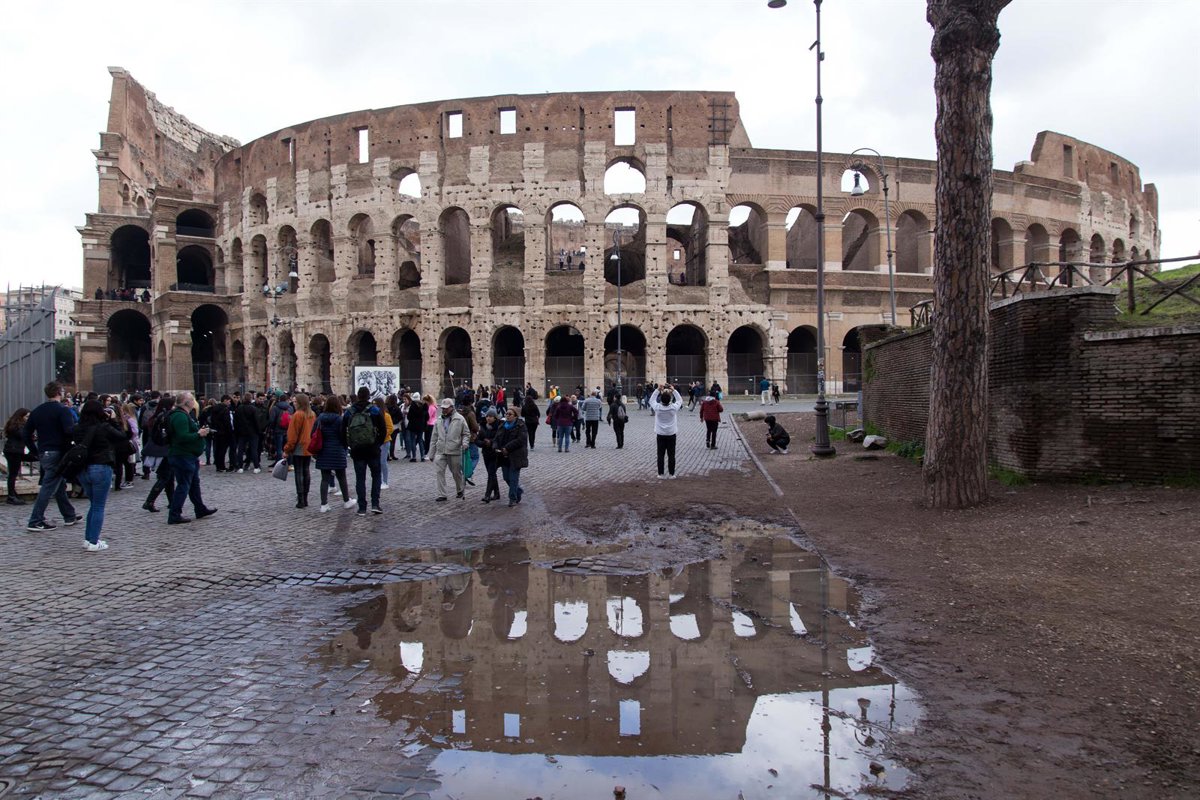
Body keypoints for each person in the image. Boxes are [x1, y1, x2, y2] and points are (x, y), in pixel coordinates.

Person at [69, 400, 132, 551]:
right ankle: (93, 541)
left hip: (83, 469)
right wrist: (113, 420)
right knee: (98, 506)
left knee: (94, 504)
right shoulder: (104, 427)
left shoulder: (77, 428)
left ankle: (88, 538)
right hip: (101, 466)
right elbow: (123, 436)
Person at [24, 382, 81, 531]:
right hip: (58, 452)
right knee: (49, 486)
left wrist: (34, 450)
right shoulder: (63, 410)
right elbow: (69, 431)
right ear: (59, 392)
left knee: (59, 484)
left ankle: (69, 515)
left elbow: (26, 433)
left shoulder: (37, 411)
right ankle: (35, 520)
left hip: (44, 451)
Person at [165, 391, 218, 525]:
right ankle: (174, 514)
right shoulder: (180, 416)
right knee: (183, 485)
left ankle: (200, 508)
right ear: (187, 402)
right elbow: (182, 437)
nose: (194, 401)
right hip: (182, 455)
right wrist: (199, 434)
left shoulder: (183, 415)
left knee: (194, 484)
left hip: (189, 455)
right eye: (192, 399)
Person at [345, 387, 386, 516]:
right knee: (376, 476)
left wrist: (349, 444)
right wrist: (378, 443)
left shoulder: (350, 411)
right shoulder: (374, 410)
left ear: (358, 396)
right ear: (369, 396)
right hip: (372, 448)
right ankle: (375, 504)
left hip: (357, 449)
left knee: (360, 478)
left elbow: (343, 430)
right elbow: (383, 429)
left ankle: (362, 507)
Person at [314, 394, 355, 512]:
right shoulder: (339, 419)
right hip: (337, 450)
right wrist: (345, 447)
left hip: (323, 450)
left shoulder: (320, 418)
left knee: (324, 478)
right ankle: (346, 500)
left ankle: (323, 504)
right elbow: (343, 436)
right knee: (342, 476)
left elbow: (314, 433)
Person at [429, 398, 470, 501]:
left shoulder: (460, 419)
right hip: (441, 450)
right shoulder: (439, 420)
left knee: (456, 472)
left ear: (452, 407)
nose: (444, 410)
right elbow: (434, 437)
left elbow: (466, 434)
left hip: (454, 450)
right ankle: (442, 494)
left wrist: (465, 443)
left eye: (446, 408)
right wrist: (431, 453)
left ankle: (460, 489)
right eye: (443, 408)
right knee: (439, 472)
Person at [141, 395, 175, 513]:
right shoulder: (164, 418)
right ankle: (149, 501)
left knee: (169, 477)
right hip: (164, 450)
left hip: (158, 450)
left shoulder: (155, 418)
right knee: (164, 477)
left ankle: (172, 501)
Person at [283, 393, 316, 508]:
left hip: (300, 445)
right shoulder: (312, 414)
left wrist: (287, 449)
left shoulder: (298, 415)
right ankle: (305, 498)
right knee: (306, 471)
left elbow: (292, 435)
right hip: (309, 445)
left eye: (296, 401)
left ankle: (301, 499)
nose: (294, 403)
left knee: (299, 472)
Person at [493, 407, 529, 507]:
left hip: (516, 456)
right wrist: (495, 447)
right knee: (506, 477)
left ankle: (512, 498)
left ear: (515, 416)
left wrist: (507, 448)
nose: (507, 416)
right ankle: (518, 491)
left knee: (513, 478)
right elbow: (496, 439)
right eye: (506, 414)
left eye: (510, 414)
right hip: (503, 456)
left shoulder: (521, 426)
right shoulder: (502, 425)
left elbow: (520, 440)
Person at [649, 383, 683, 479]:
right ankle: (672, 474)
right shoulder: (673, 408)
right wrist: (674, 390)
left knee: (660, 454)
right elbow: (680, 400)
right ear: (670, 399)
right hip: (671, 434)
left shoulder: (658, 408)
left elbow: (651, 400)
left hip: (660, 434)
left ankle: (660, 474)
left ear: (661, 399)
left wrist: (657, 390)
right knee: (671, 455)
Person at [4, 408, 32, 504]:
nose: (28, 418)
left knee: (13, 473)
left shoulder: (14, 424)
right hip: (14, 450)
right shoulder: (17, 426)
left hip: (13, 450)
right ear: (21, 416)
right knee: (13, 474)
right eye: (27, 416)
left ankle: (12, 494)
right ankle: (11, 496)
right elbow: (22, 435)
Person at [476, 409, 503, 503]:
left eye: (490, 417)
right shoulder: (483, 426)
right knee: (491, 474)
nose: (488, 418)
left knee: (491, 473)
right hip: (486, 453)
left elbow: (499, 440)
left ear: (495, 418)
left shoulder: (499, 427)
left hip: (495, 454)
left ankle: (487, 495)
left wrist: (491, 442)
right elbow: (477, 440)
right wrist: (484, 443)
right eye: (487, 416)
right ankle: (497, 493)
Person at [234, 392, 262, 473]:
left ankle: (240, 467)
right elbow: (256, 421)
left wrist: (237, 431)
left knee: (240, 449)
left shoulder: (239, 408)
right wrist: (258, 431)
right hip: (252, 432)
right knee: (254, 449)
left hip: (242, 432)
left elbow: (236, 421)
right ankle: (256, 467)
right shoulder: (253, 409)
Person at [405, 392, 428, 462]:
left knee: (413, 440)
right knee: (420, 440)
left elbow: (409, 417)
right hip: (420, 426)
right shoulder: (424, 406)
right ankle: (422, 456)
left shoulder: (412, 406)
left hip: (413, 425)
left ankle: (414, 457)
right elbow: (427, 417)